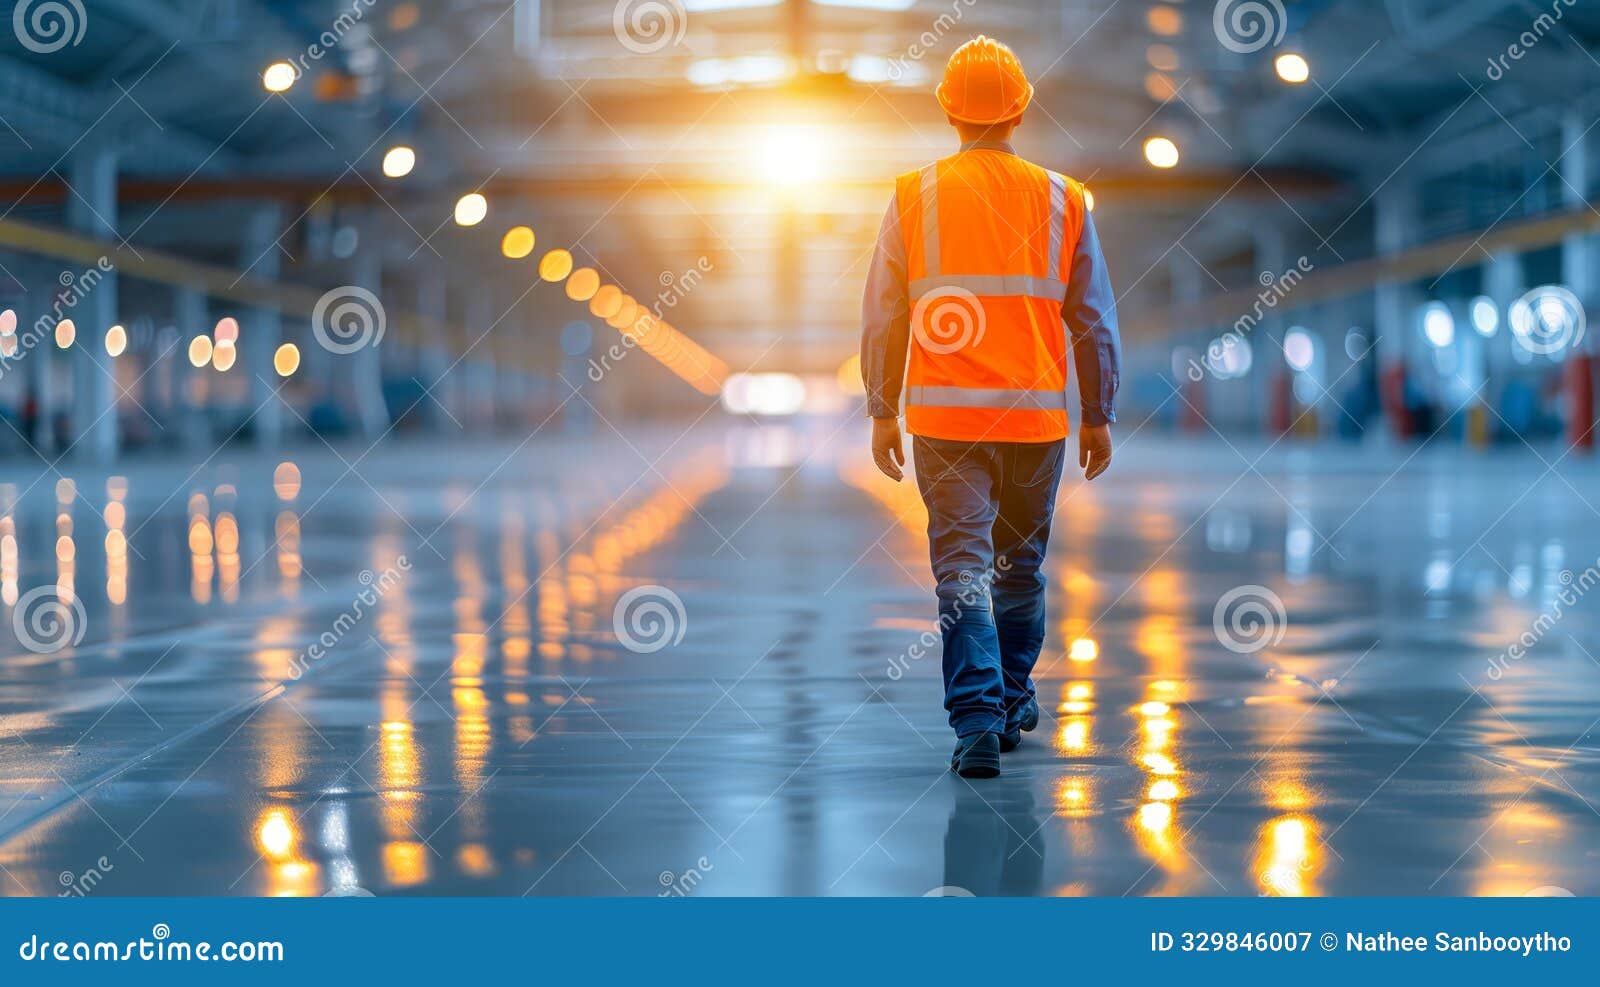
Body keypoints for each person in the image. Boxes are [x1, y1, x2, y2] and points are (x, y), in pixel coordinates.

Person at [859, 36, 1121, 778]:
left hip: (945, 423)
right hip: (1036, 421)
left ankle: (979, 718)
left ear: (947, 108)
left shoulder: (914, 194)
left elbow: (885, 313)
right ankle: (1007, 699)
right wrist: (1098, 413)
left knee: (963, 573)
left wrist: (882, 407)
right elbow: (1093, 316)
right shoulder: (1065, 197)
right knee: (1019, 571)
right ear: (1019, 110)